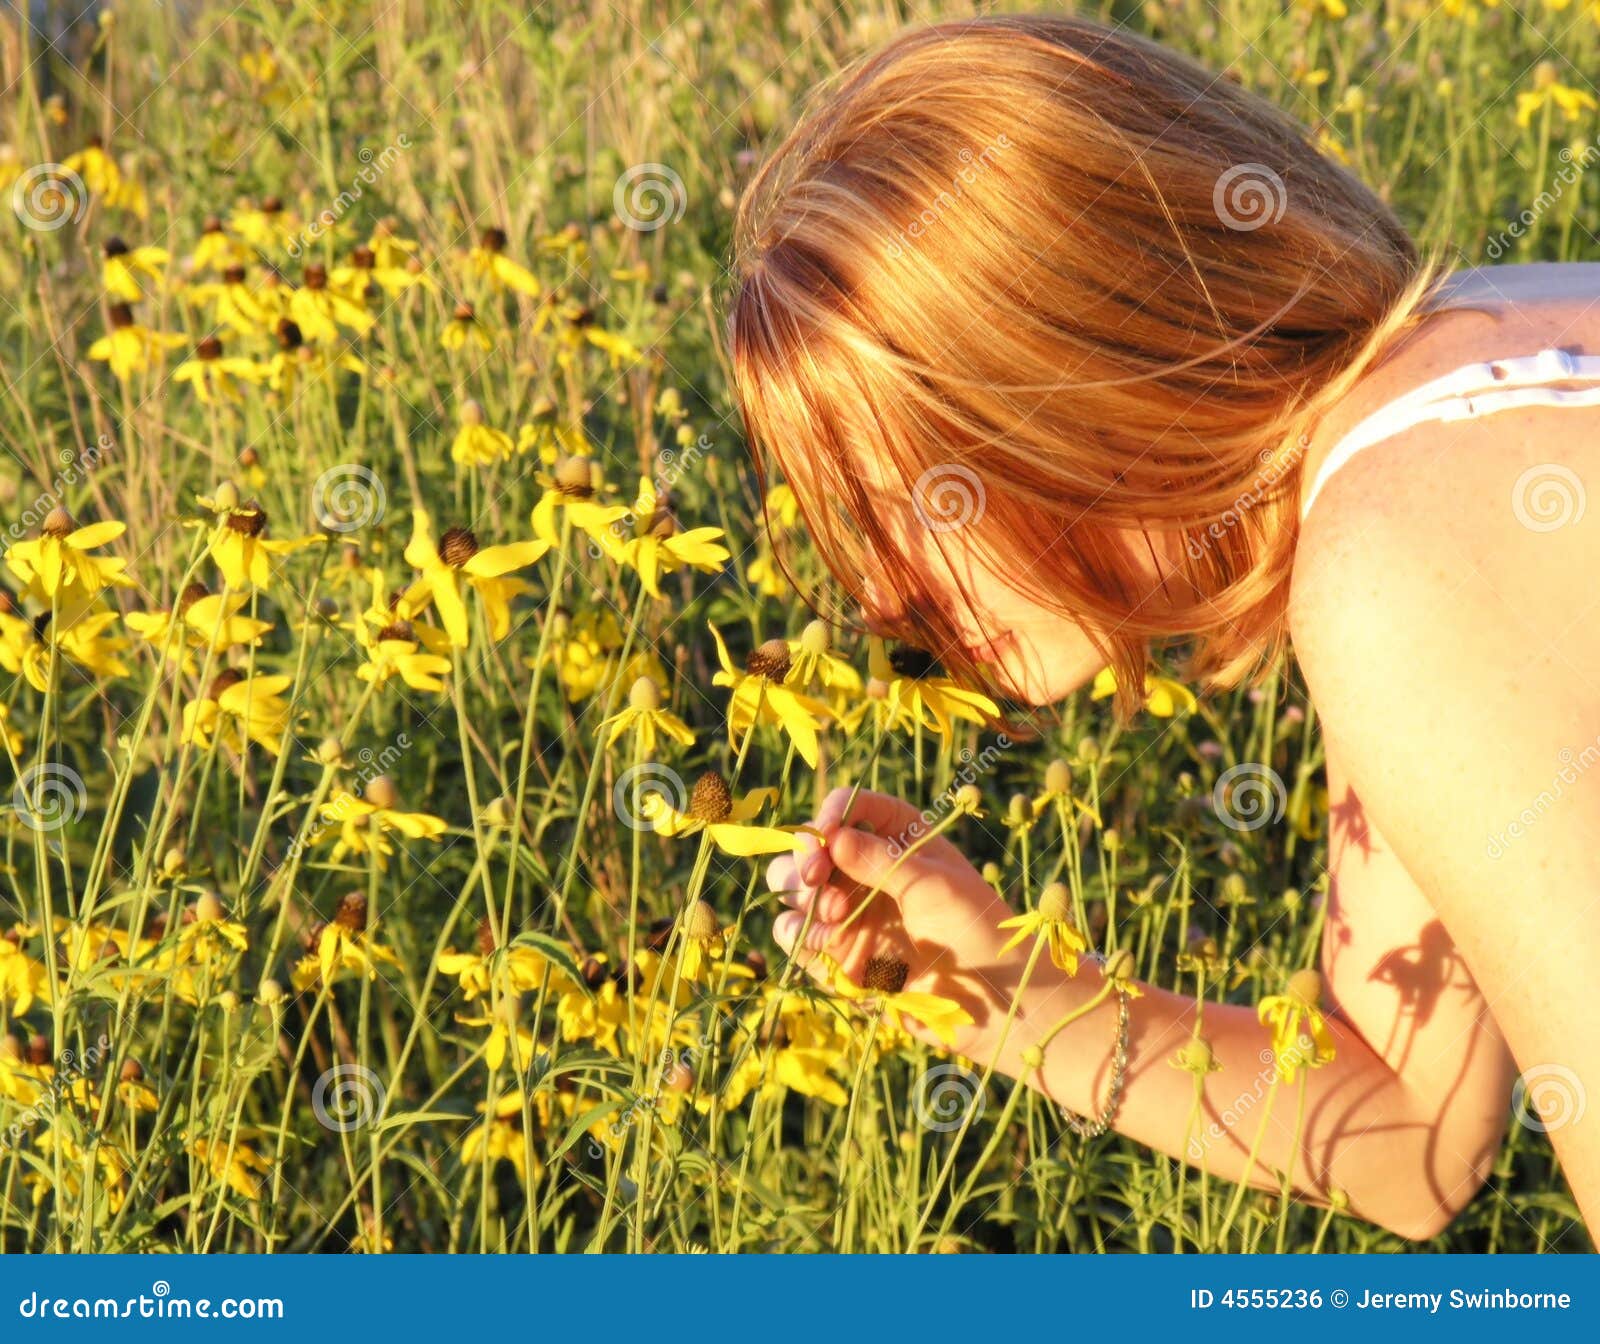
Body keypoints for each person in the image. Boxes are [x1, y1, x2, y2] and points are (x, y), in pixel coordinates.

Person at [728, 13, 1600, 1241]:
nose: (884, 600)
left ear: (1070, 369)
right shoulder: (1450, 389)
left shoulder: (1399, 556)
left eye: (912, 503)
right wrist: (995, 989)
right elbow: (1414, 1130)